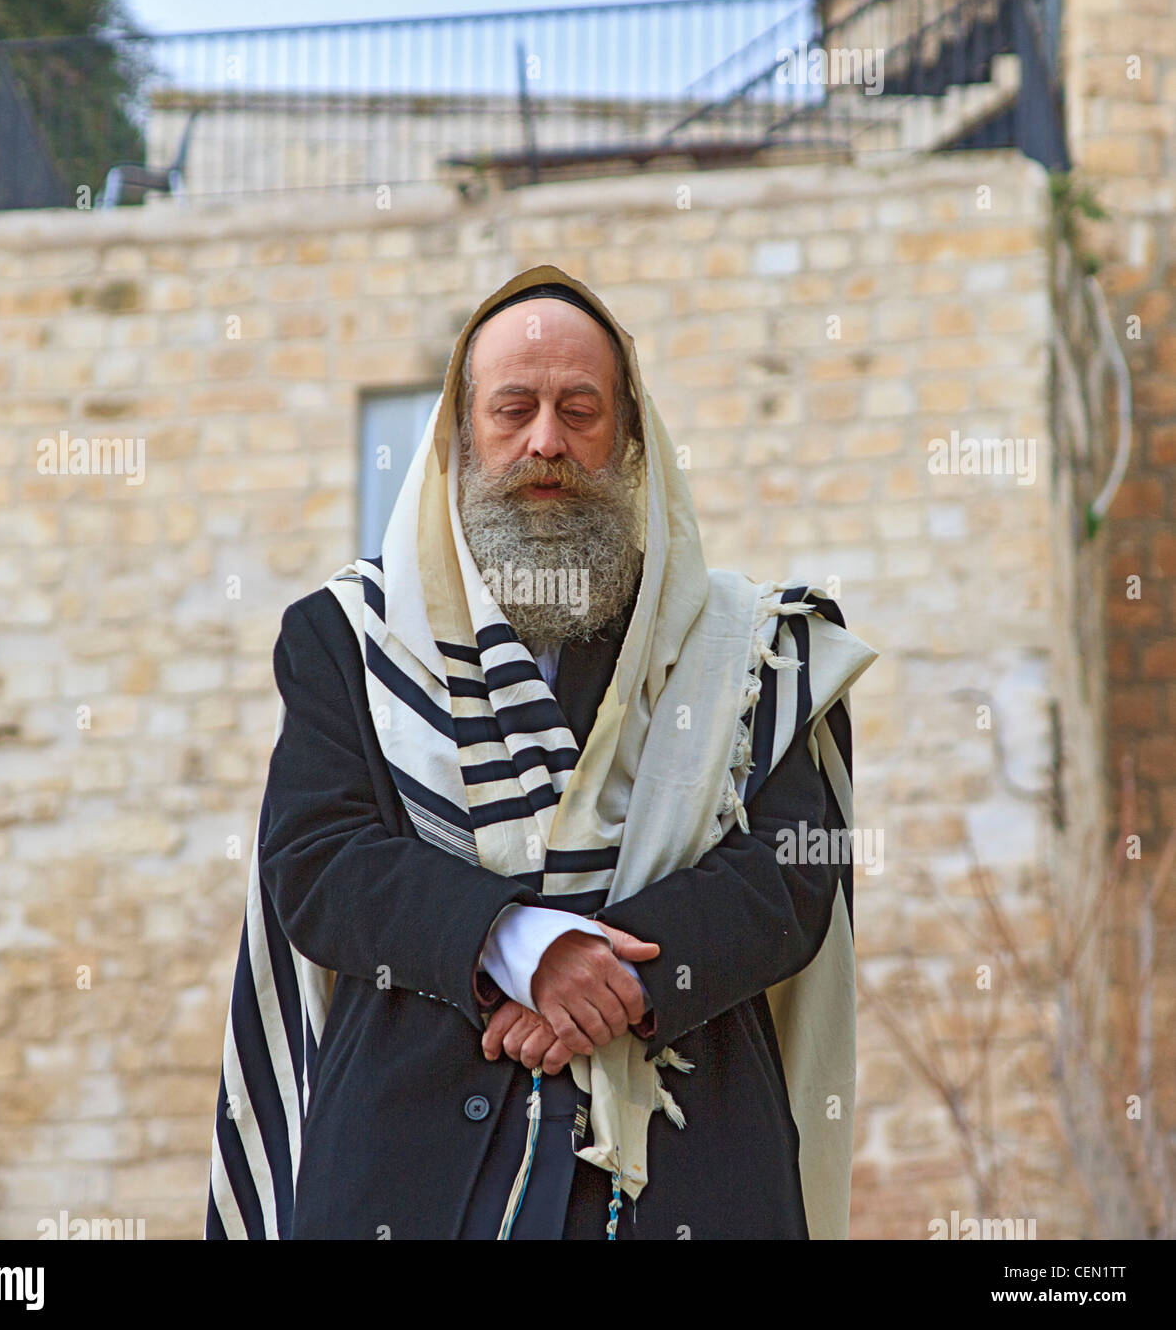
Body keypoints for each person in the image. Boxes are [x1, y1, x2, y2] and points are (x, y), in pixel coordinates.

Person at [206, 263, 877, 1240]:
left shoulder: (748, 648)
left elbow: (787, 876)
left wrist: (617, 980)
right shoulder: (348, 639)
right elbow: (319, 861)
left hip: (688, 1183)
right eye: (511, 409)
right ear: (459, 440)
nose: (545, 442)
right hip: (406, 1187)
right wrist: (519, 947)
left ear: (631, 438)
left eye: (579, 409)